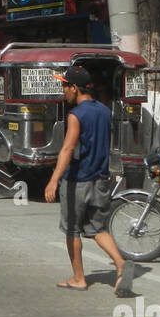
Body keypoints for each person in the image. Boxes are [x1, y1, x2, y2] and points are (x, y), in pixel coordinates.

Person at [45, 66, 133, 294]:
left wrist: (54, 180)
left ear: (75, 88)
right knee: (96, 228)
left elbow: (67, 149)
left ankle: (78, 278)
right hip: (101, 179)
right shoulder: (104, 111)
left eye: (65, 86)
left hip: (78, 180)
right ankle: (121, 264)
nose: (63, 91)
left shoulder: (76, 115)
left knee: (72, 230)